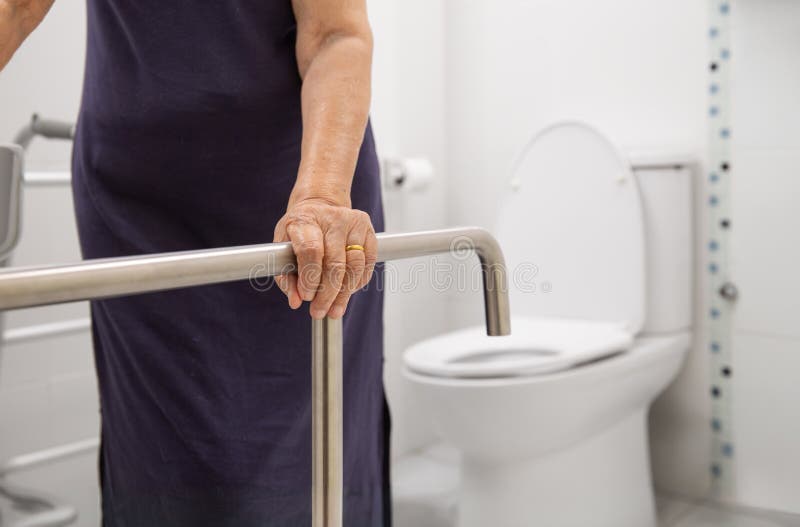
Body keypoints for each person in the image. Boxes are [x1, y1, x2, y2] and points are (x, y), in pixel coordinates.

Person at [1, 1, 389, 525]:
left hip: (298, 199)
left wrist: (321, 196)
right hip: (137, 208)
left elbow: (334, 36)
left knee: (300, 463)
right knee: (162, 457)